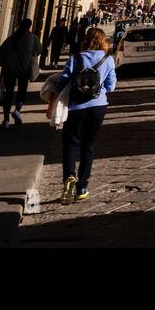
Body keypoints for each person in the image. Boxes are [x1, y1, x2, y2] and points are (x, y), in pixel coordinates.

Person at [48, 27, 116, 204]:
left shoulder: (75, 58)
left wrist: (53, 93)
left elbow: (62, 81)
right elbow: (111, 86)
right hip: (98, 107)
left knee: (70, 144)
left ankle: (69, 178)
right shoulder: (108, 59)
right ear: (103, 41)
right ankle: (83, 186)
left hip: (76, 106)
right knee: (89, 146)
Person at [0, 18, 40, 127]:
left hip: (9, 70)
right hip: (24, 70)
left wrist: (4, 64)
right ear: (29, 26)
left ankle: (6, 119)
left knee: (9, 93)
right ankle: (17, 111)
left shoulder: (11, 39)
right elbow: (39, 51)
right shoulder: (33, 38)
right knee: (21, 92)